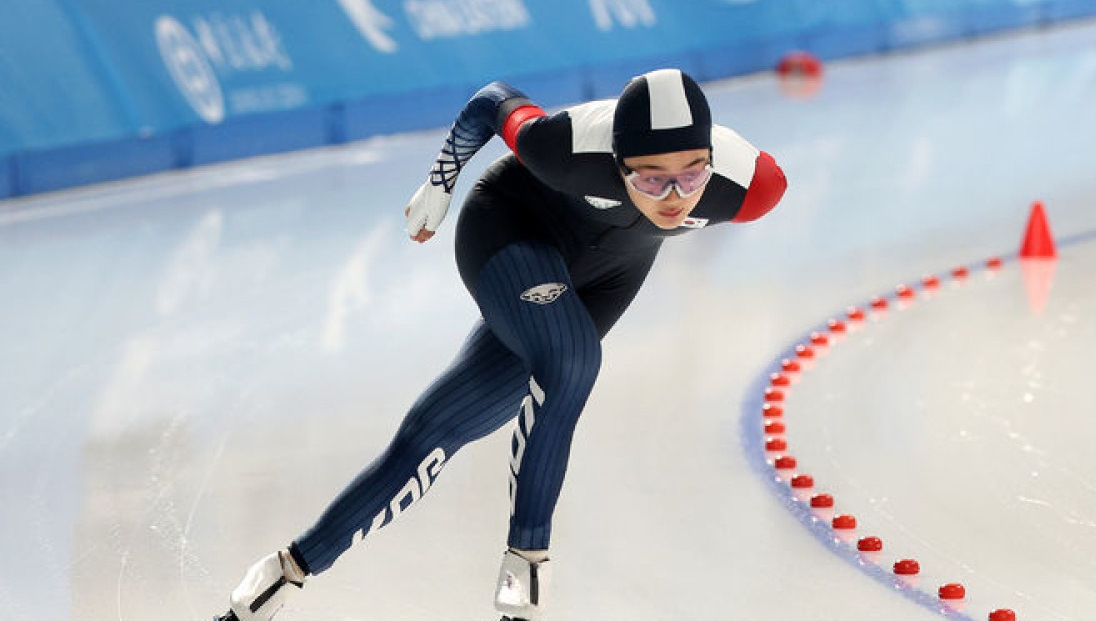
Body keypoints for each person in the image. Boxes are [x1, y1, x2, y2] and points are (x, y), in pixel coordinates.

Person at [214, 68, 787, 621]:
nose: (675, 196)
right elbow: (492, 99)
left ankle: (277, 577)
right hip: (510, 229)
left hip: (611, 275)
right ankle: (526, 573)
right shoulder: (564, 147)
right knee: (572, 361)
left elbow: (700, 185)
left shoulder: (751, 187)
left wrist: (674, 185)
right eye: (651, 179)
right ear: (616, 163)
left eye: (692, 175)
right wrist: (440, 183)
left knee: (438, 429)